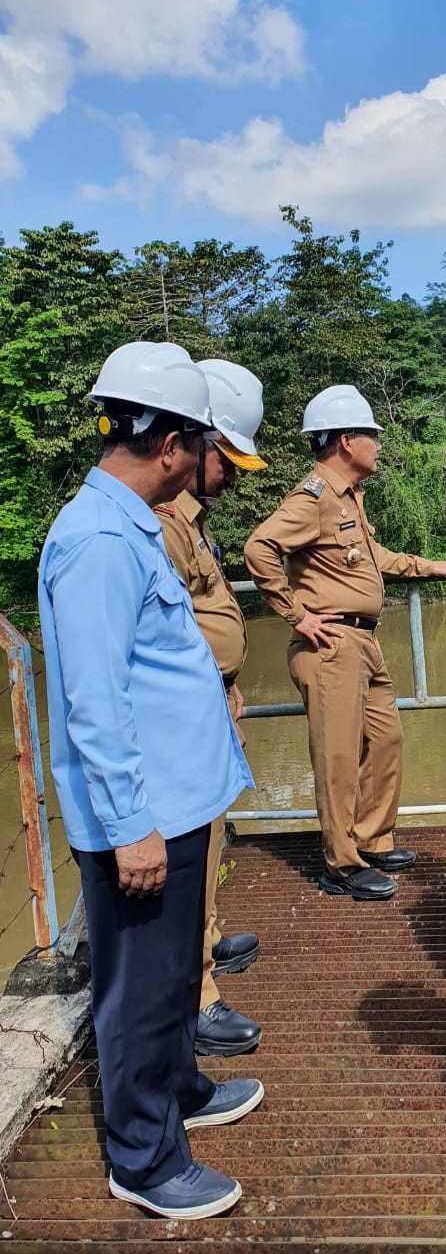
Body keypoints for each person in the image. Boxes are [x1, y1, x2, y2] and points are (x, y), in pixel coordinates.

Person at [38, 342, 264, 1220]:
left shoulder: (130, 525)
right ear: (169, 442)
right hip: (141, 817)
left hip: (174, 804)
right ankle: (143, 1157)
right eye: (200, 445)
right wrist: (130, 825)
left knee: (172, 975)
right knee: (137, 990)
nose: (204, 464)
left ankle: (179, 1091)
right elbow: (94, 705)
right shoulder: (97, 539)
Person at [244, 385, 446, 899]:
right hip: (331, 645)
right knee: (338, 758)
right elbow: (259, 548)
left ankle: (372, 839)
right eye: (372, 435)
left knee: (386, 740)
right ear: (346, 440)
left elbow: (371, 557)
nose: (379, 445)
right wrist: (296, 615)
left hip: (363, 643)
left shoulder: (347, 499)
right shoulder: (312, 498)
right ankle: (341, 866)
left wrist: (424, 567)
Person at [155, 358, 266, 1057]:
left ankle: (205, 943)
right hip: (181, 720)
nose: (229, 475)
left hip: (208, 707)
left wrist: (226, 681)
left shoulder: (191, 522)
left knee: (210, 845)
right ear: (192, 447)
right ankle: (193, 998)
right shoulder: (161, 525)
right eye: (225, 459)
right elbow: (166, 635)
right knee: (188, 852)